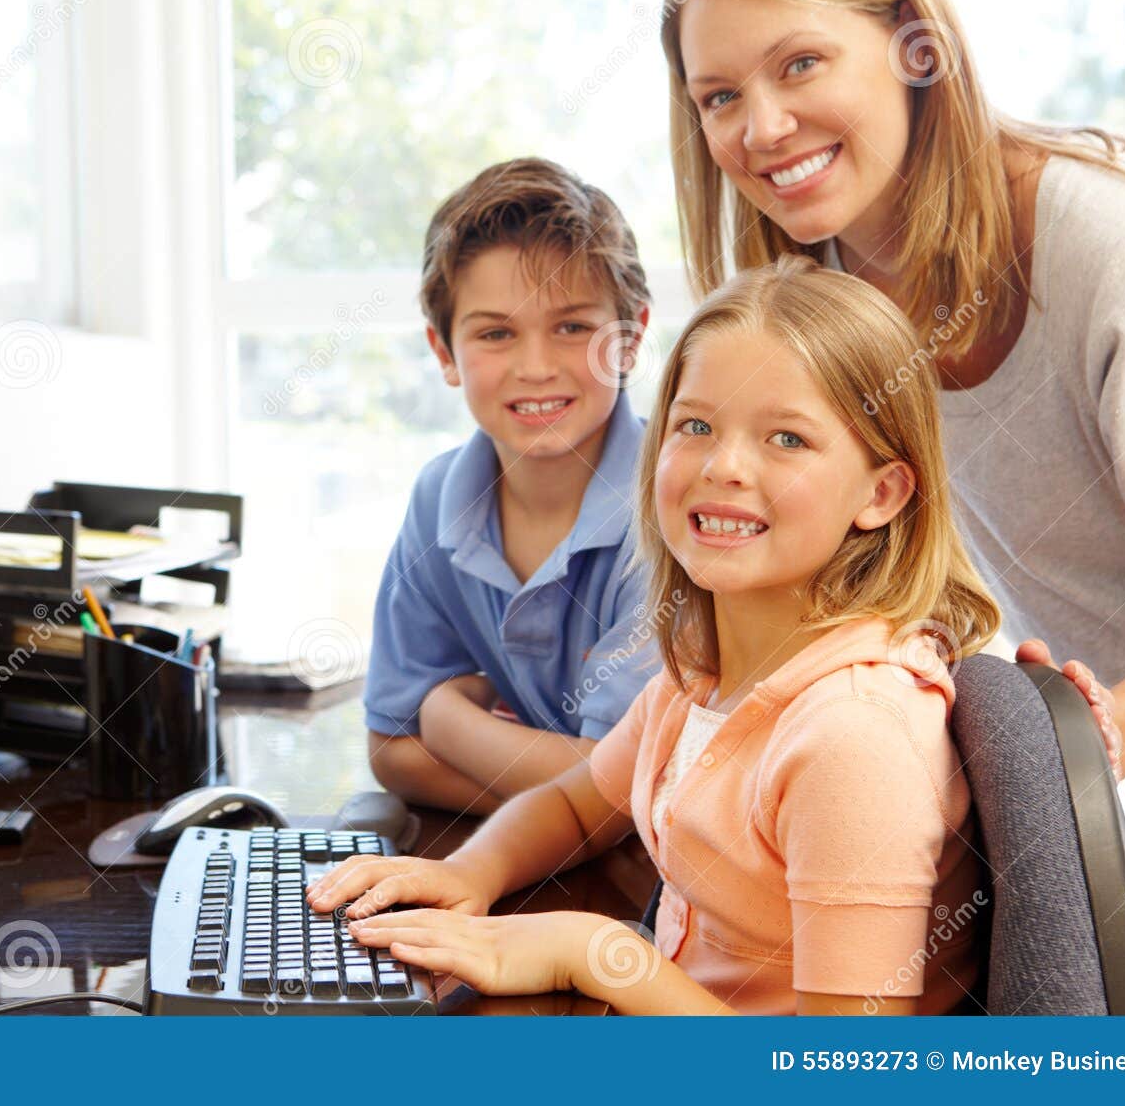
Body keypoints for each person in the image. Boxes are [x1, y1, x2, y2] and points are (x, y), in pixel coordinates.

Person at [659, 0, 1125, 1013]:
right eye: (719, 95)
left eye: (798, 63)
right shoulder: (832, 283)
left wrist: (1079, 753)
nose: (758, 129)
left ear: (915, 44)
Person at [314, 256, 1000, 1014]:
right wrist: (473, 872)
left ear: (881, 491)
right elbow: (576, 805)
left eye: (787, 439)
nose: (724, 465)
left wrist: (593, 954)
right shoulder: (700, 674)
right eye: (696, 425)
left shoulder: (854, 735)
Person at [363, 157, 659, 815]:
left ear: (631, 338)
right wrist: (569, 802)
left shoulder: (671, 508)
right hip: (544, 865)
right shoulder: (440, 495)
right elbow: (389, 748)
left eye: (573, 327)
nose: (536, 366)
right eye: (496, 333)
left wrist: (444, 718)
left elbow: (620, 791)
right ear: (444, 354)